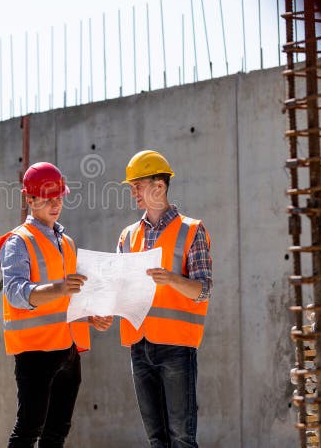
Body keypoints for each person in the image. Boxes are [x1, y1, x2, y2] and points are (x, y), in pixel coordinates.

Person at [0, 161, 112, 448]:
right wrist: (59, 288)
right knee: (28, 430)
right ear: (30, 199)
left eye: (59, 197)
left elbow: (71, 298)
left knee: (57, 432)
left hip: (69, 349)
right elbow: (15, 292)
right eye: (47, 199)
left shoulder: (67, 242)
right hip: (36, 351)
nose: (55, 204)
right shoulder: (18, 241)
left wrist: (90, 317)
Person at [116, 150, 213, 448]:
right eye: (131, 187)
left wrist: (170, 278)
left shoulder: (191, 230)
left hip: (176, 347)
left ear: (158, 186)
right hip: (138, 345)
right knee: (157, 440)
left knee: (181, 439)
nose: (133, 193)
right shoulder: (127, 235)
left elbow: (203, 289)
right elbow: (118, 287)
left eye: (138, 185)